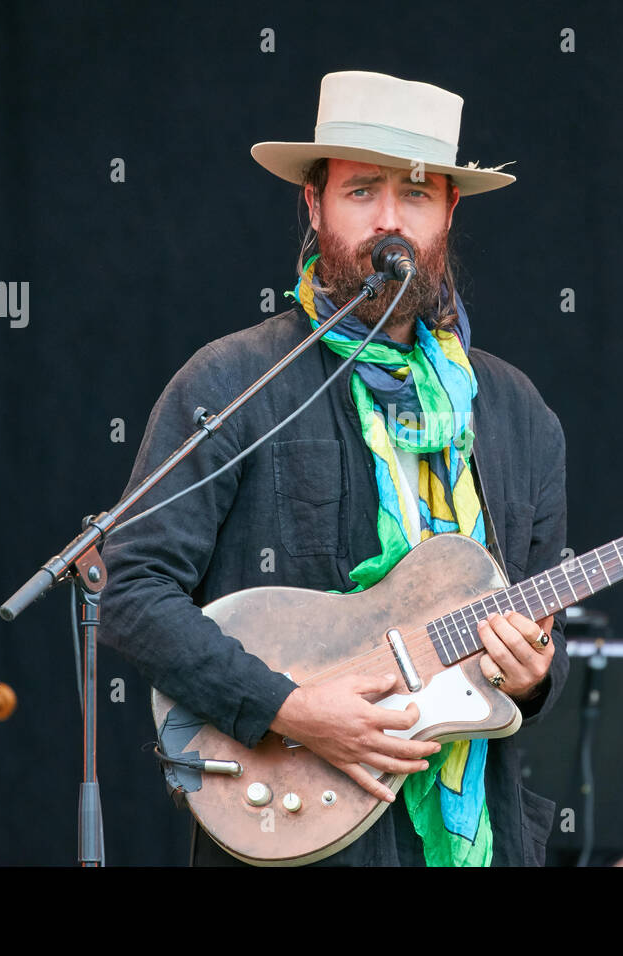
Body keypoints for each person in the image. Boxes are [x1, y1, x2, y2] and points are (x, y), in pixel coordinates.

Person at [101, 70, 569, 867]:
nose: (390, 221)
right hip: (298, 831)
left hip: (478, 840)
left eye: (417, 194)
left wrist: (529, 678)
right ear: (314, 204)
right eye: (362, 192)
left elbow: (530, 644)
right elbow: (134, 592)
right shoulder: (232, 382)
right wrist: (288, 707)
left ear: (449, 213)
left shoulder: (519, 413)